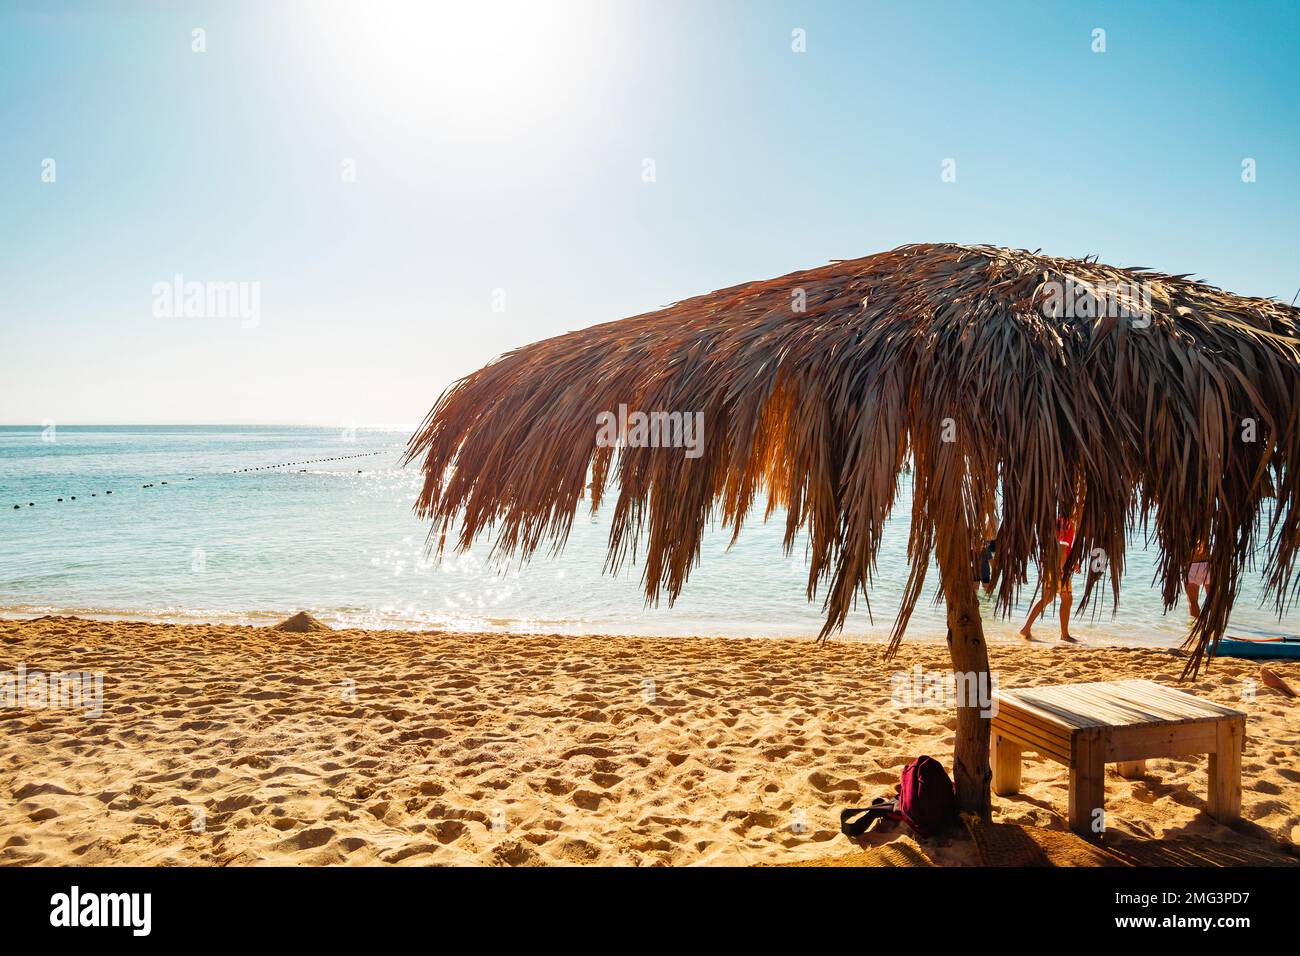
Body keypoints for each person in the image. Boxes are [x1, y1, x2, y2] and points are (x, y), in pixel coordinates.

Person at [1019, 511, 1079, 643]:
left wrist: (1072, 562)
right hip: (1058, 567)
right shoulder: (1066, 523)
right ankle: (1064, 635)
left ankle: (1026, 628)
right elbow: (1062, 546)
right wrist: (1063, 567)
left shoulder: (1059, 521)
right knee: (1066, 599)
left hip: (1052, 565)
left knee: (1048, 597)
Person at [1186, 540, 1210, 618]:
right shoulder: (1206, 529)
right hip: (1208, 564)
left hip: (1192, 565)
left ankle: (1197, 625)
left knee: (1193, 602)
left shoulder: (1183, 530)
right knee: (1213, 599)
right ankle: (1214, 625)